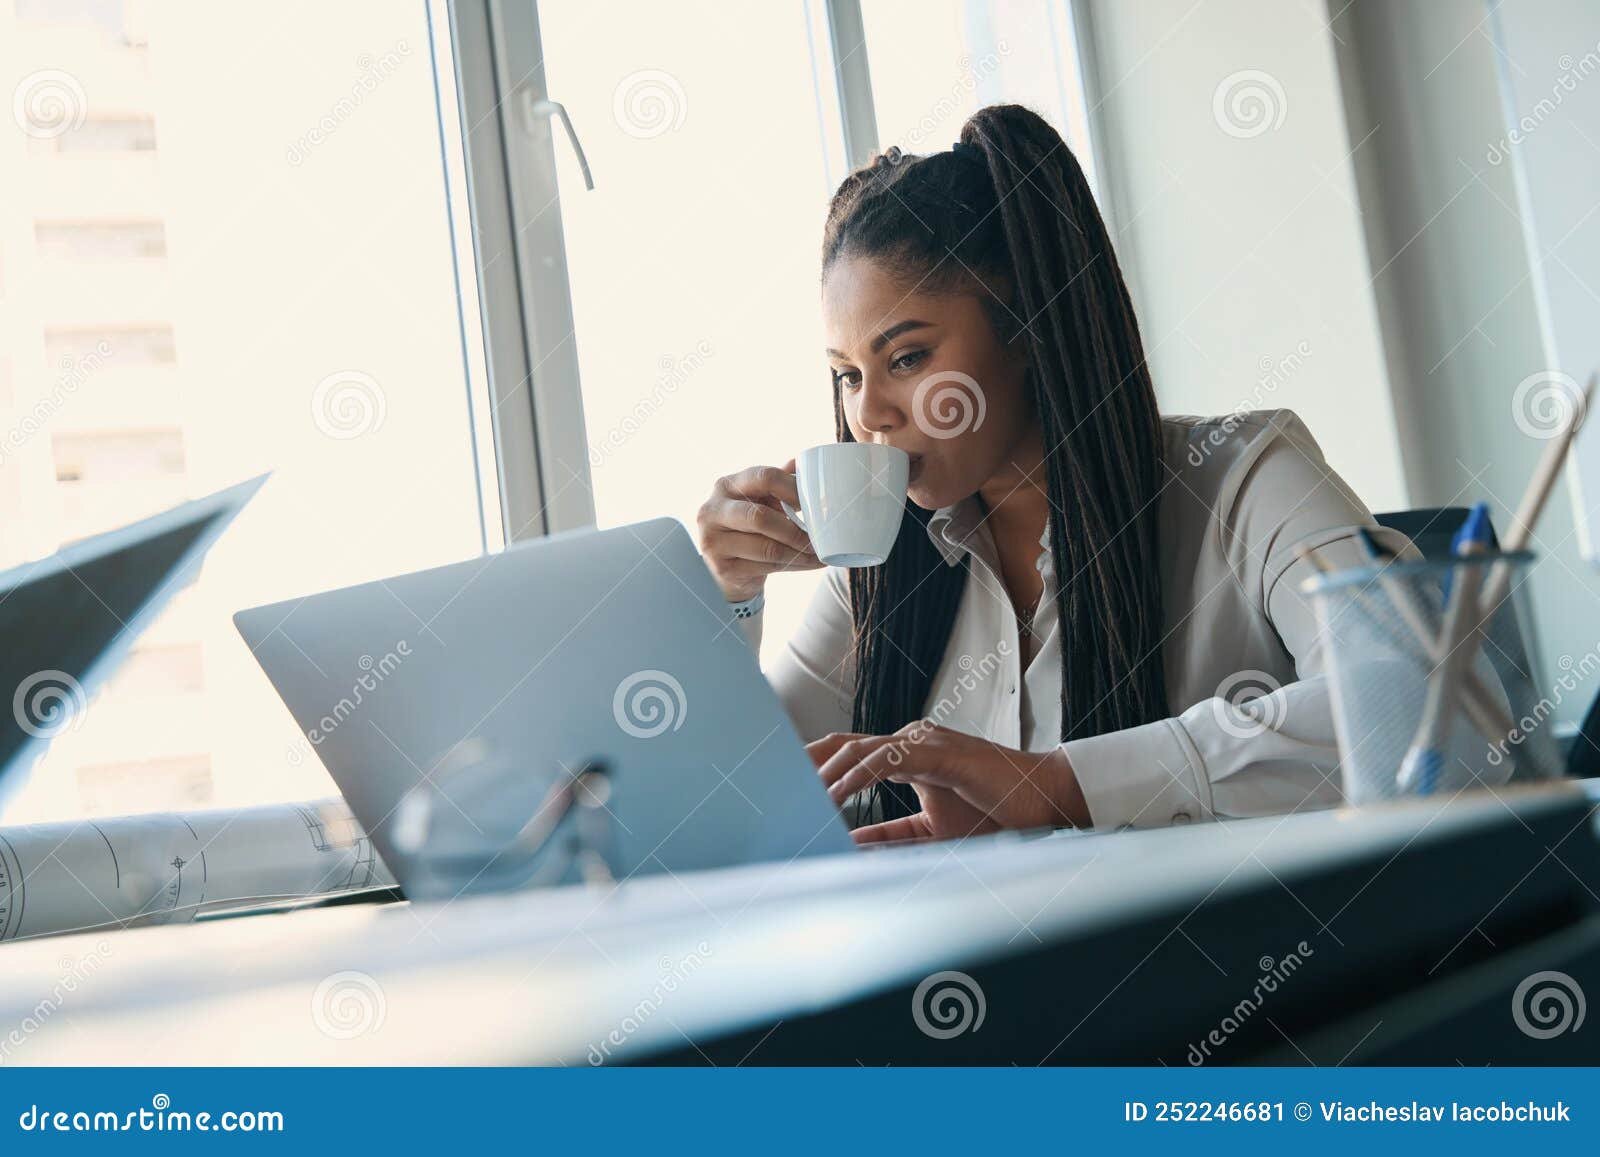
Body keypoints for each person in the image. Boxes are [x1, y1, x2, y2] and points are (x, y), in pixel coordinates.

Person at [695, 103, 1410, 844]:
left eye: (906, 358)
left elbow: (1419, 700)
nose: (868, 413)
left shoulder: (1242, 480)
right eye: (846, 375)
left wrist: (1058, 786)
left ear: (1029, 327)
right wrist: (729, 603)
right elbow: (737, 808)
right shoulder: (879, 570)